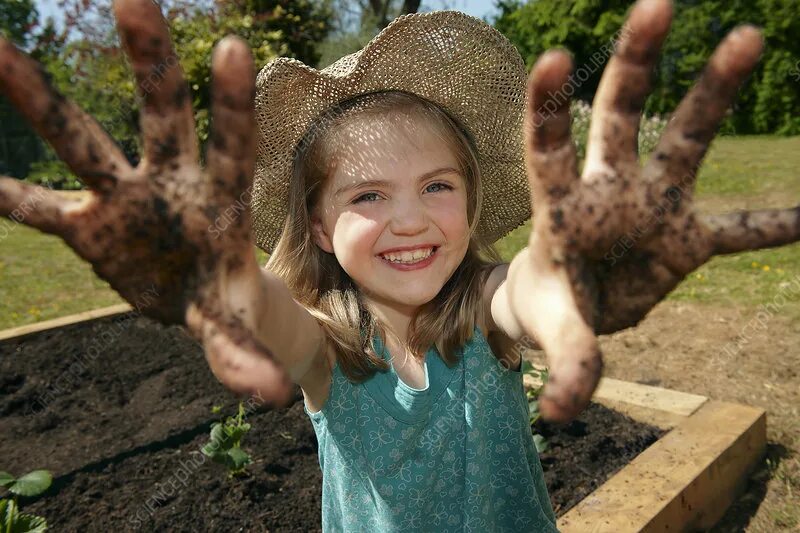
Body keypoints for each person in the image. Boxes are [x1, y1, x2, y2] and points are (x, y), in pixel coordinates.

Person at [0, 0, 797, 530]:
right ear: (315, 224)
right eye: (368, 196)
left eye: (437, 186)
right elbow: (274, 318)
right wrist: (222, 279)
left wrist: (565, 284)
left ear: (473, 196)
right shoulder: (327, 349)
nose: (410, 218)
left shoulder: (484, 303)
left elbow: (522, 291)